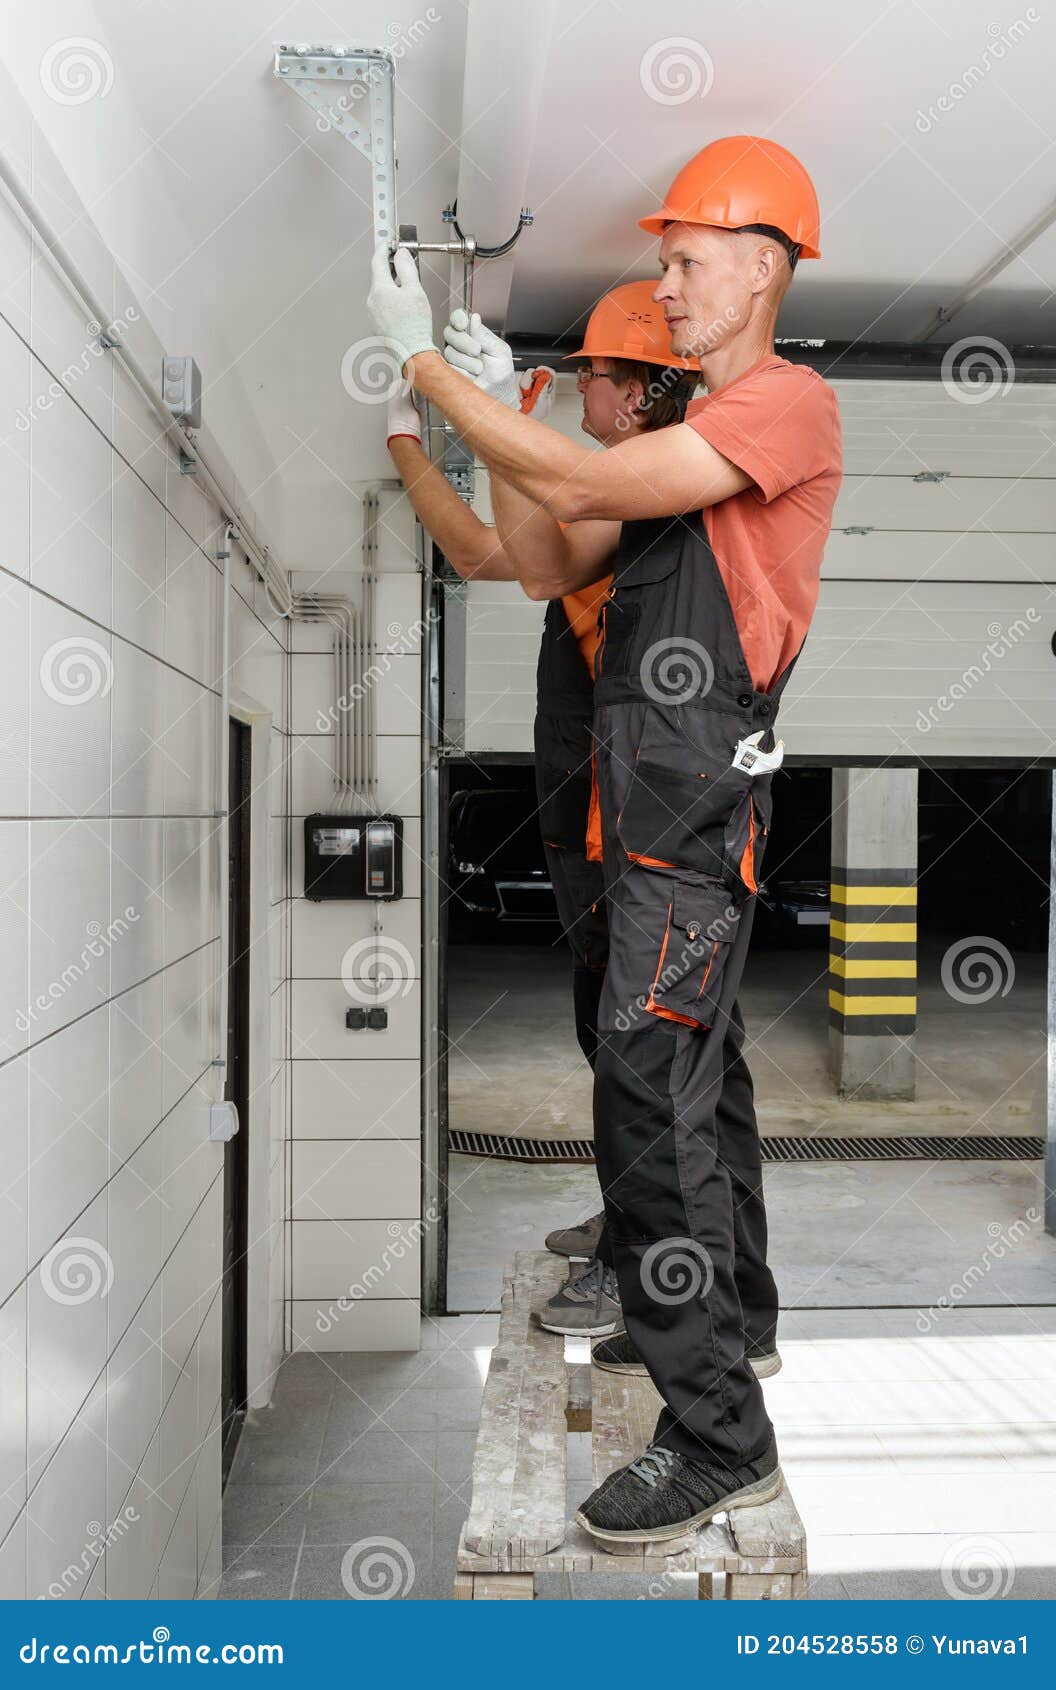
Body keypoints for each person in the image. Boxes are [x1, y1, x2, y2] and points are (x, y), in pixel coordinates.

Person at [367, 133, 843, 1550]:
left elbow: (582, 490)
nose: (671, 284)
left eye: (689, 259)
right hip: (648, 830)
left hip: (686, 837)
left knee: (648, 1107)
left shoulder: (787, 407)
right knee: (688, 1094)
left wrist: (431, 382)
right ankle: (724, 1329)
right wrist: (498, 410)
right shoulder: (684, 460)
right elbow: (544, 545)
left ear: (761, 267)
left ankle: (718, 1435)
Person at [386, 285, 696, 1299]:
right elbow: (488, 551)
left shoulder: (631, 500)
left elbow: (527, 554)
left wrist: (505, 425)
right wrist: (409, 449)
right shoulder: (598, 492)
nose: (580, 386)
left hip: (628, 825)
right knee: (602, 1036)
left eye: (596, 374)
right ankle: (629, 1220)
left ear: (644, 394)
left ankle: (641, 1261)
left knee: (636, 1053)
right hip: (580, 817)